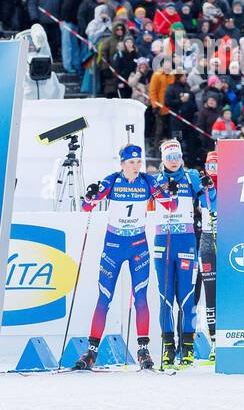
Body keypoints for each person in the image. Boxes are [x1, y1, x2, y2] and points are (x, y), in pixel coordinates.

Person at [74, 144, 176, 370]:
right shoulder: (112, 180)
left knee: (141, 297)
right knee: (104, 297)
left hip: (138, 245)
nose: (136, 166)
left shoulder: (148, 182)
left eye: (139, 162)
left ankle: (143, 349)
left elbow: (170, 205)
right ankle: (91, 351)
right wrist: (90, 195)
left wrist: (172, 192)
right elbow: (86, 207)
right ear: (122, 164)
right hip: (113, 246)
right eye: (131, 162)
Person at [154, 139, 204, 367]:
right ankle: (168, 347)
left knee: (186, 297)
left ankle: (187, 346)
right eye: (169, 157)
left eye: (177, 157)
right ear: (163, 159)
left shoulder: (191, 177)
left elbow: (208, 202)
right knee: (165, 297)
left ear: (182, 157)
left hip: (186, 241)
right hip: (162, 241)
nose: (173, 162)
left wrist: (207, 187)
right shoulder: (155, 180)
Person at [196, 150, 219, 360]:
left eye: (217, 166)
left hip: (227, 239)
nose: (213, 171)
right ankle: (214, 340)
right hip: (206, 240)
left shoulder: (230, 184)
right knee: (209, 292)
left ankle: (228, 336)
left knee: (228, 291)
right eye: (211, 167)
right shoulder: (201, 184)